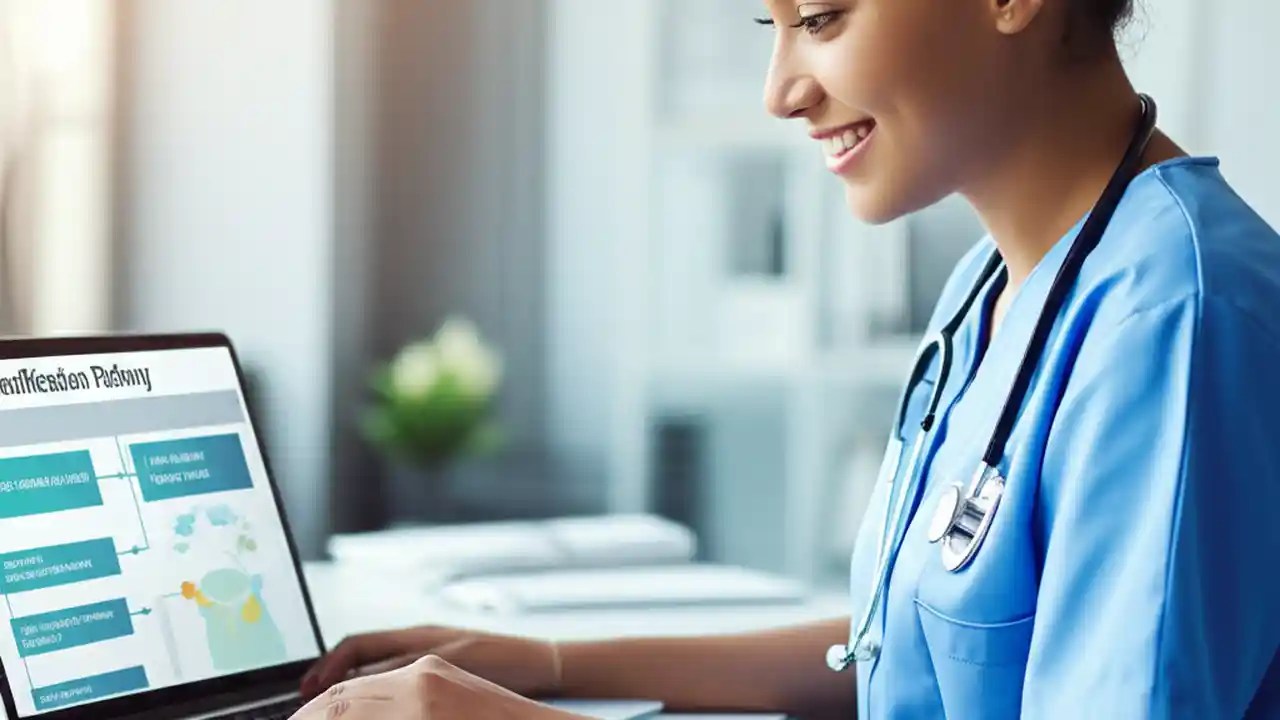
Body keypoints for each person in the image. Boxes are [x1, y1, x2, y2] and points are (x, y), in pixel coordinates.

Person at [291, 0, 1280, 717]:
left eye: (821, 18)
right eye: (774, 29)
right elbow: (896, 663)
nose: (780, 92)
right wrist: (543, 662)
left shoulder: (1178, 319)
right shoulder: (995, 284)